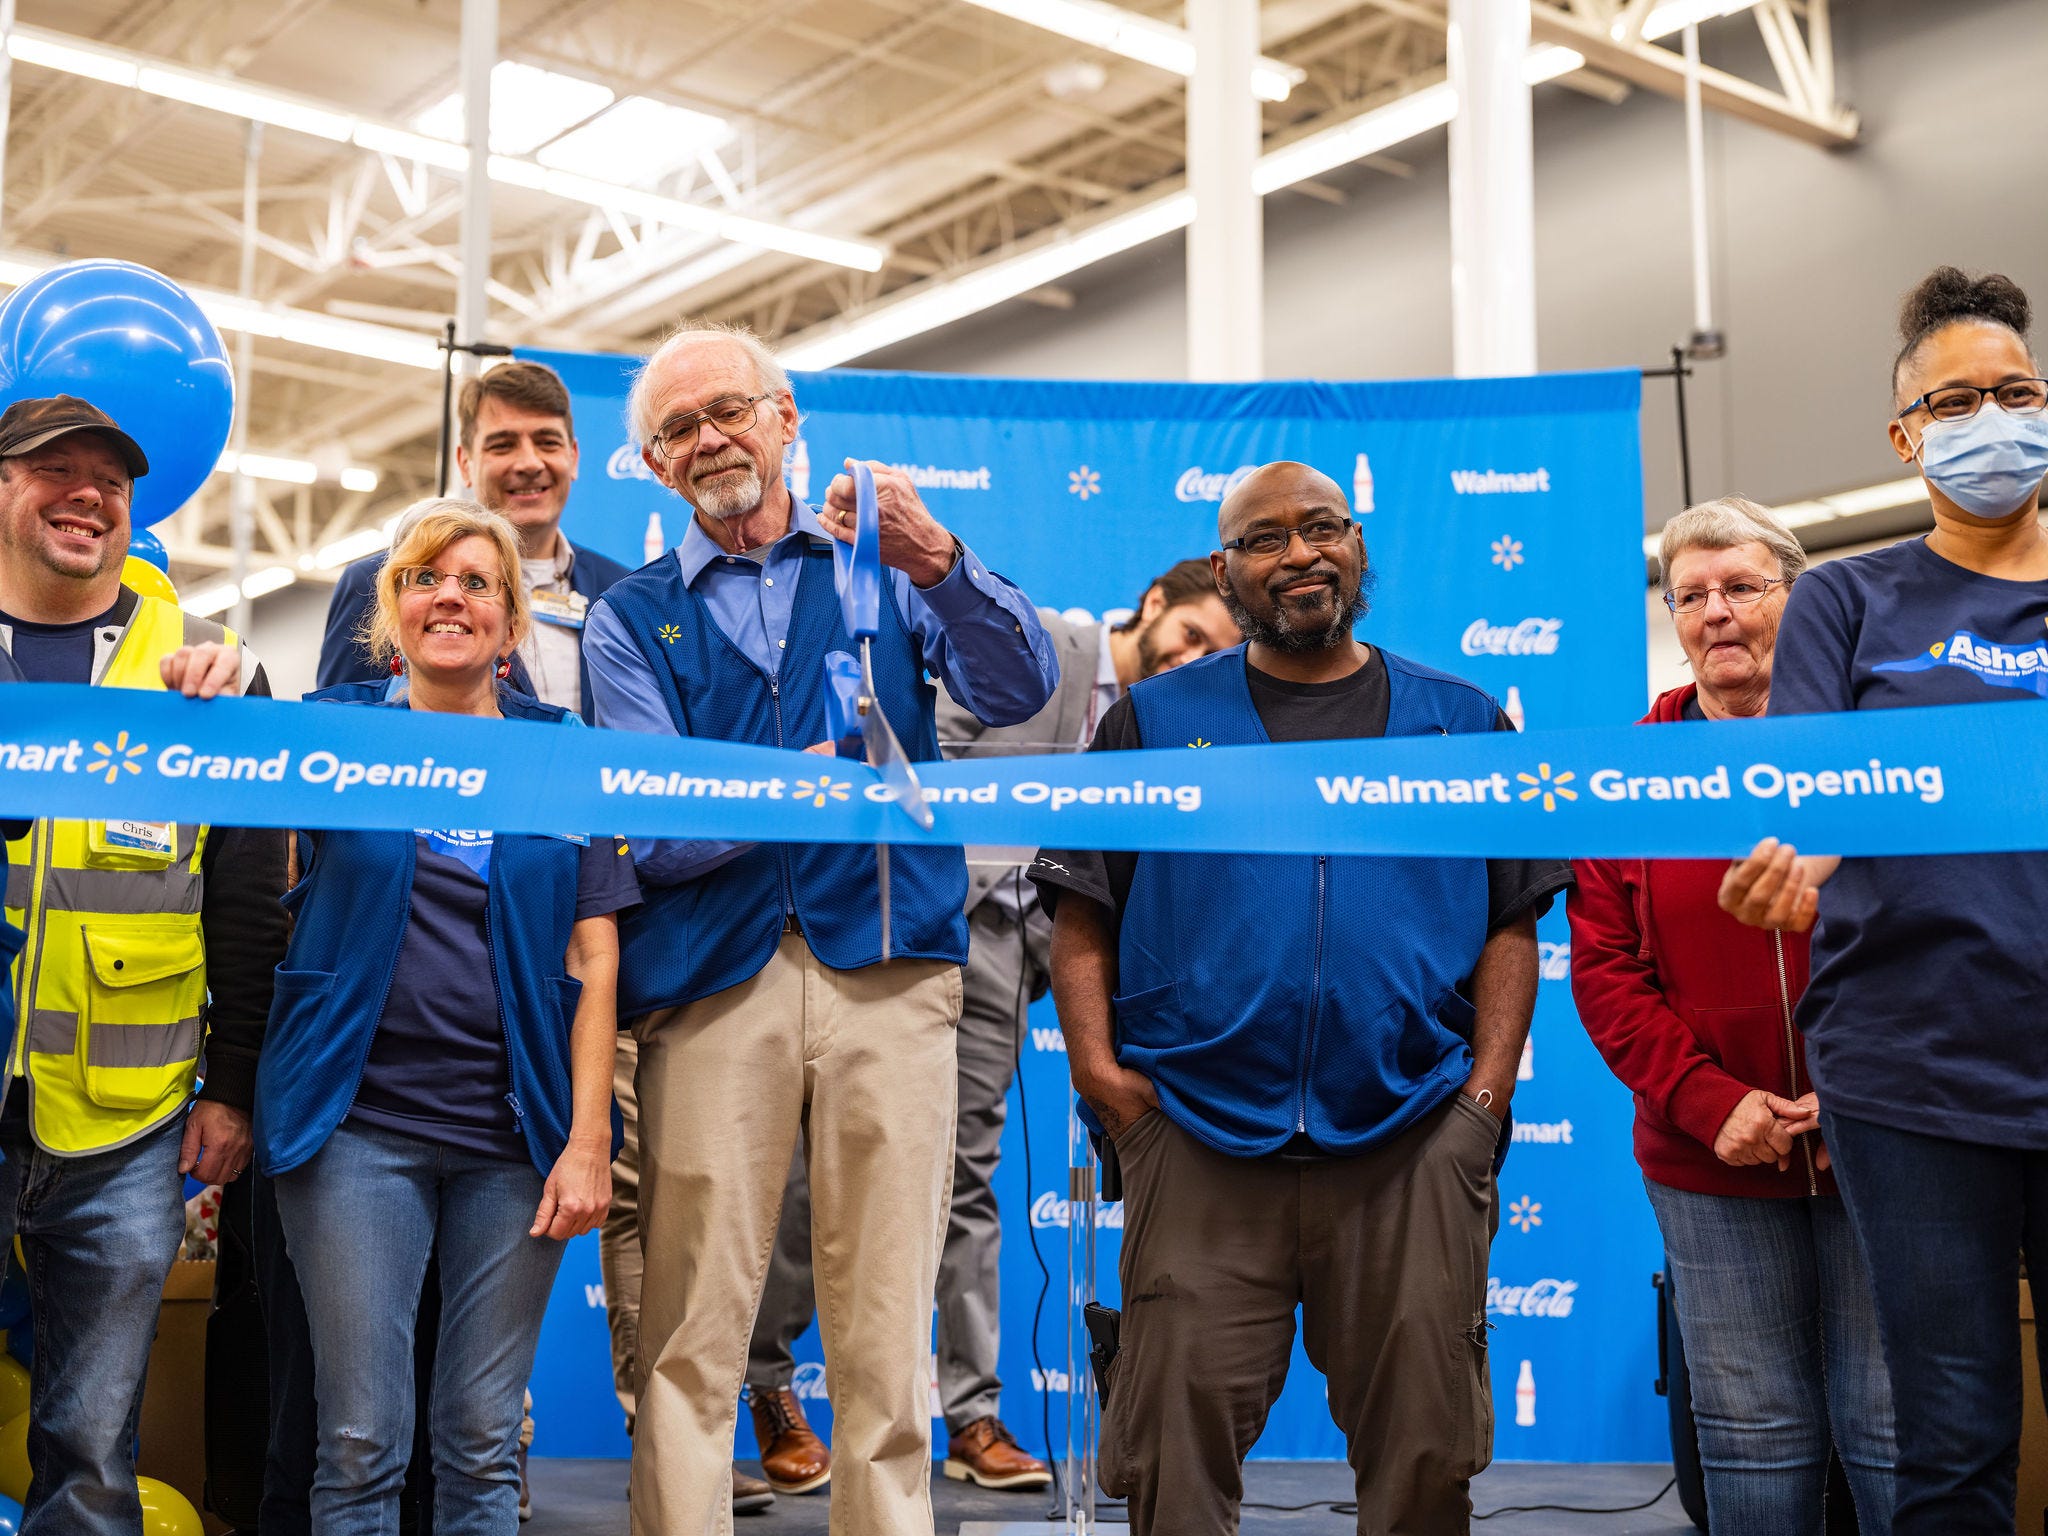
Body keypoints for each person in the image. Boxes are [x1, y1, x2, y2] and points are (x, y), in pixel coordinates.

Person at [583, 321, 1057, 1535]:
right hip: (708, 986)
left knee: (884, 1317)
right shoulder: (625, 619)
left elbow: (1019, 690)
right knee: (695, 1324)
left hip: (891, 975)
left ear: (787, 417)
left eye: (727, 410)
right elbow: (657, 830)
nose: (707, 440)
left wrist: (942, 559)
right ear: (652, 465)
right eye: (675, 430)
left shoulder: (884, 561)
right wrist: (815, 777)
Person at [1032, 460, 1565, 1536]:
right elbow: (1080, 909)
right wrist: (1106, 1086)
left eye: (1320, 528)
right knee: (1172, 1452)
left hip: (1411, 1136)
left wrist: (1483, 1101)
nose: (1299, 555)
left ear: (1357, 544)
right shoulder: (1151, 720)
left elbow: (1513, 917)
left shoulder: (1455, 723)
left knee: (1422, 1456)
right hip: (1194, 1135)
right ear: (1225, 571)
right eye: (1265, 540)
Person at [1719, 267, 2048, 1535]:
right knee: (1954, 1436)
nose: (1990, 418)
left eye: (2013, 393)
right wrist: (1786, 864)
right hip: (1913, 1073)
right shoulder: (1848, 602)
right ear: (1906, 437)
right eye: (1955, 400)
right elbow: (1796, 797)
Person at [254, 500, 633, 1535]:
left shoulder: (564, 754)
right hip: (353, 1132)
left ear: (511, 623)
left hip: (514, 1141)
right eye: (425, 579)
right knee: (360, 1439)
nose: (450, 597)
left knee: (477, 1440)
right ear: (393, 611)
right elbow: (223, 778)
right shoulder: (331, 736)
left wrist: (588, 1139)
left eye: (476, 582)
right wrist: (201, 678)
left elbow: (593, 953)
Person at [1570, 496, 1895, 1535]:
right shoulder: (1621, 775)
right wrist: (1711, 1104)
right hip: (1707, 1151)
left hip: (1882, 1140)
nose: (1713, 613)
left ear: (1797, 597)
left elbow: (1935, 933)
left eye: (1740, 587)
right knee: (1750, 1431)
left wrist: (1858, 1095)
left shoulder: (1875, 746)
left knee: (1891, 1425)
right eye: (1689, 596)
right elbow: (1605, 974)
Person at [0, 394, 284, 1535]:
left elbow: (250, 903)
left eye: (108, 481)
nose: (85, 494)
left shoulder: (210, 685)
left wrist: (233, 1084)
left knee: (90, 1441)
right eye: (52, 470)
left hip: (127, 1115)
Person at [925, 556, 1238, 1490]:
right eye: (1190, 637)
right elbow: (918, 755)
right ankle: (776, 1386)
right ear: (1151, 605)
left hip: (1066, 959)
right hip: (948, 929)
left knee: (966, 1176)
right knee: (839, 1172)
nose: (1195, 663)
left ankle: (970, 1418)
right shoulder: (1037, 648)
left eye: (1219, 655)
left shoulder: (1188, 731)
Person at [315, 359, 630, 714]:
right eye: (502, 445)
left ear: (572, 457)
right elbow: (337, 731)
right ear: (465, 463)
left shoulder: (620, 590)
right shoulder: (375, 582)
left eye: (547, 442)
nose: (529, 462)